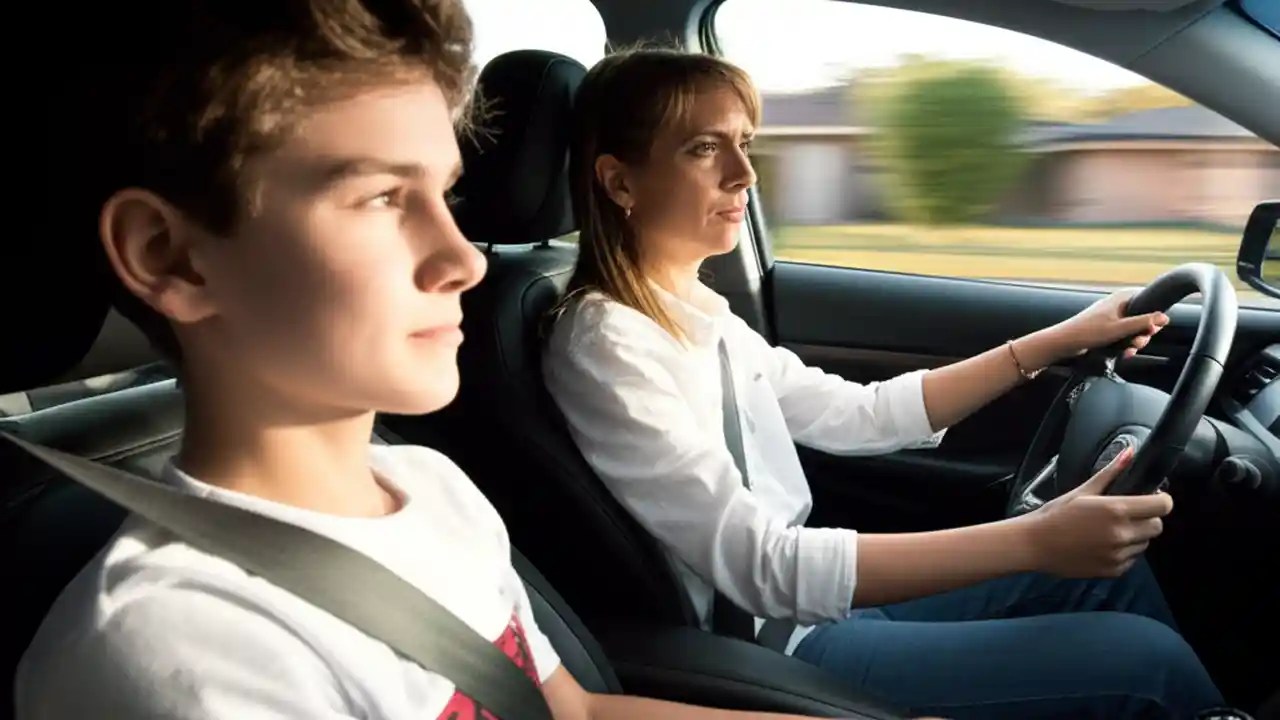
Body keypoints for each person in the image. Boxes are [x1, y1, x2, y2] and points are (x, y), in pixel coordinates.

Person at [14, 4, 919, 719]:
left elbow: (575, 711)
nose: (466, 260)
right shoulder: (178, 651)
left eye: (442, 193)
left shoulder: (431, 486)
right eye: (377, 197)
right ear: (169, 256)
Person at [541, 47, 1225, 719]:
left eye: (744, 143)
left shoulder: (695, 315)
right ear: (620, 182)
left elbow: (862, 414)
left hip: (815, 611)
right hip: (772, 646)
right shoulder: (607, 343)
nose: (745, 173)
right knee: (1145, 665)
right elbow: (762, 565)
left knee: (1112, 579)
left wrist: (1055, 340)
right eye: (702, 149)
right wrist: (1037, 536)